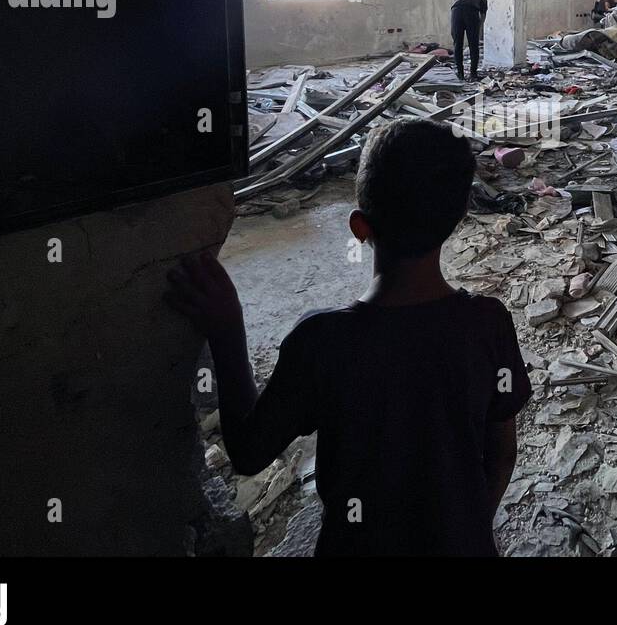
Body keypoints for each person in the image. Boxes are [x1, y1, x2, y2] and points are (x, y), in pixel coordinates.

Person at [165, 118, 532, 555]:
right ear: (460, 217)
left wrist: (227, 331)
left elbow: (247, 452)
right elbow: (501, 452)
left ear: (360, 227)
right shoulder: (487, 323)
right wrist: (470, 530)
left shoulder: (323, 341)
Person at [450, 0, 488, 81]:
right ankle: (473, 74)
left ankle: (460, 73)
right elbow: (483, 15)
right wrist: (478, 29)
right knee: (473, 45)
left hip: (455, 12)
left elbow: (455, 4)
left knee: (457, 44)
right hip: (471, 11)